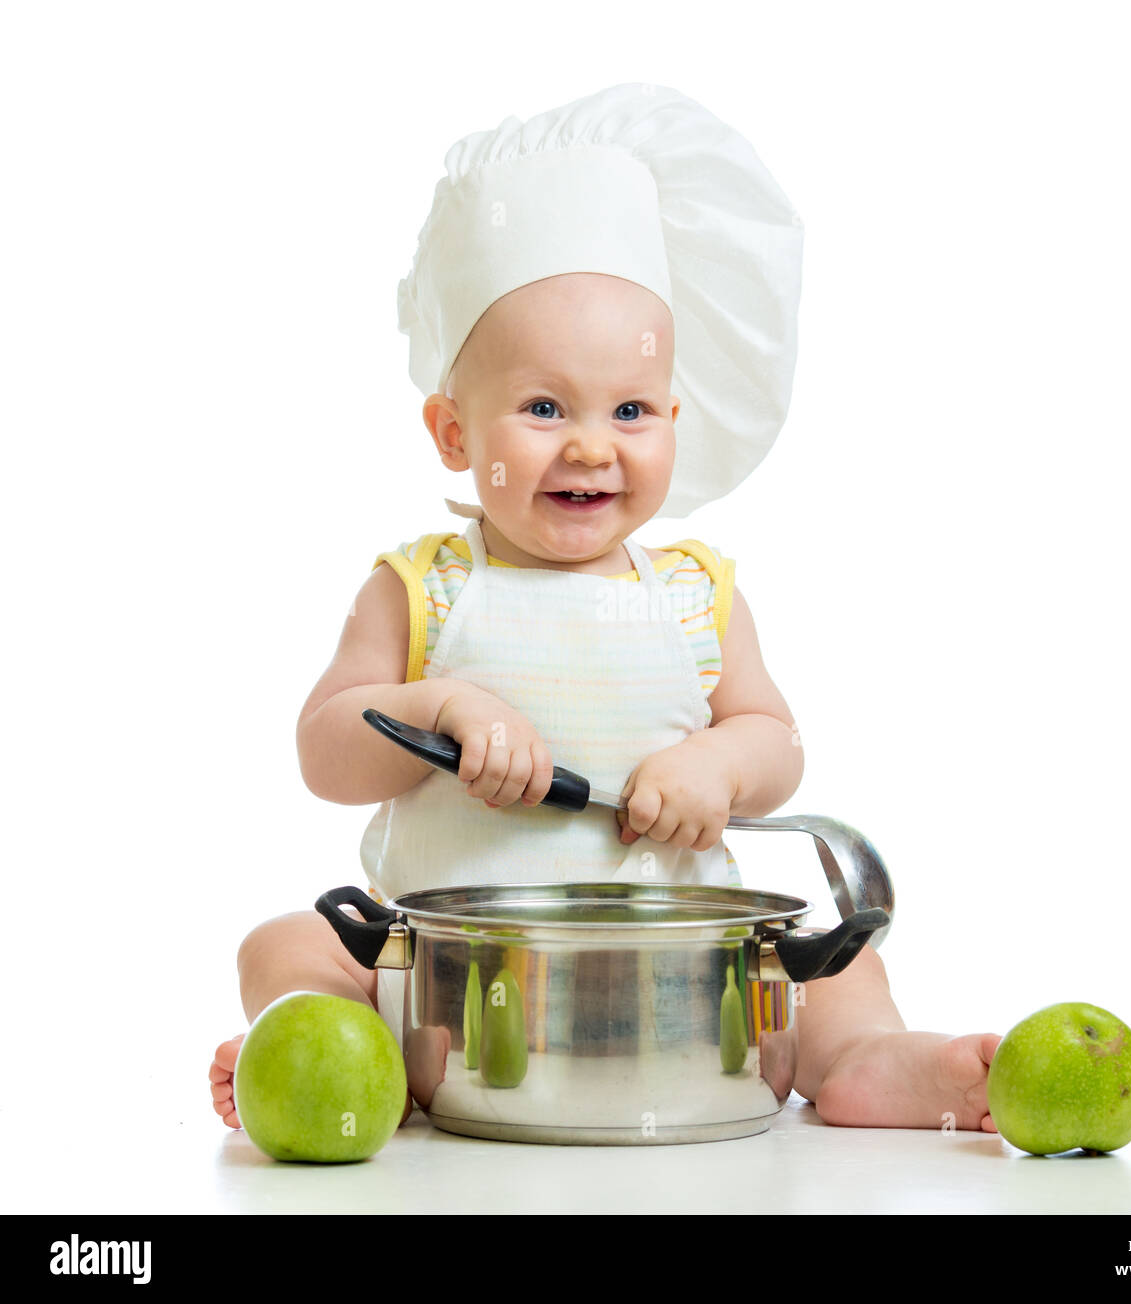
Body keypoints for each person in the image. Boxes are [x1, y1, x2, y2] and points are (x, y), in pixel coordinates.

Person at [209, 84, 1001, 1135]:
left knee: (836, 962)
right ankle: (331, 1053)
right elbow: (324, 749)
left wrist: (719, 765)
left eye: (629, 410)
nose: (591, 444)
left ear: (675, 415)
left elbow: (774, 738)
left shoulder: (693, 593)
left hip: (685, 967)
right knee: (285, 943)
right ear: (452, 430)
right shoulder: (422, 586)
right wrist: (436, 705)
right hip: (454, 975)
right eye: (543, 408)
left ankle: (868, 1058)